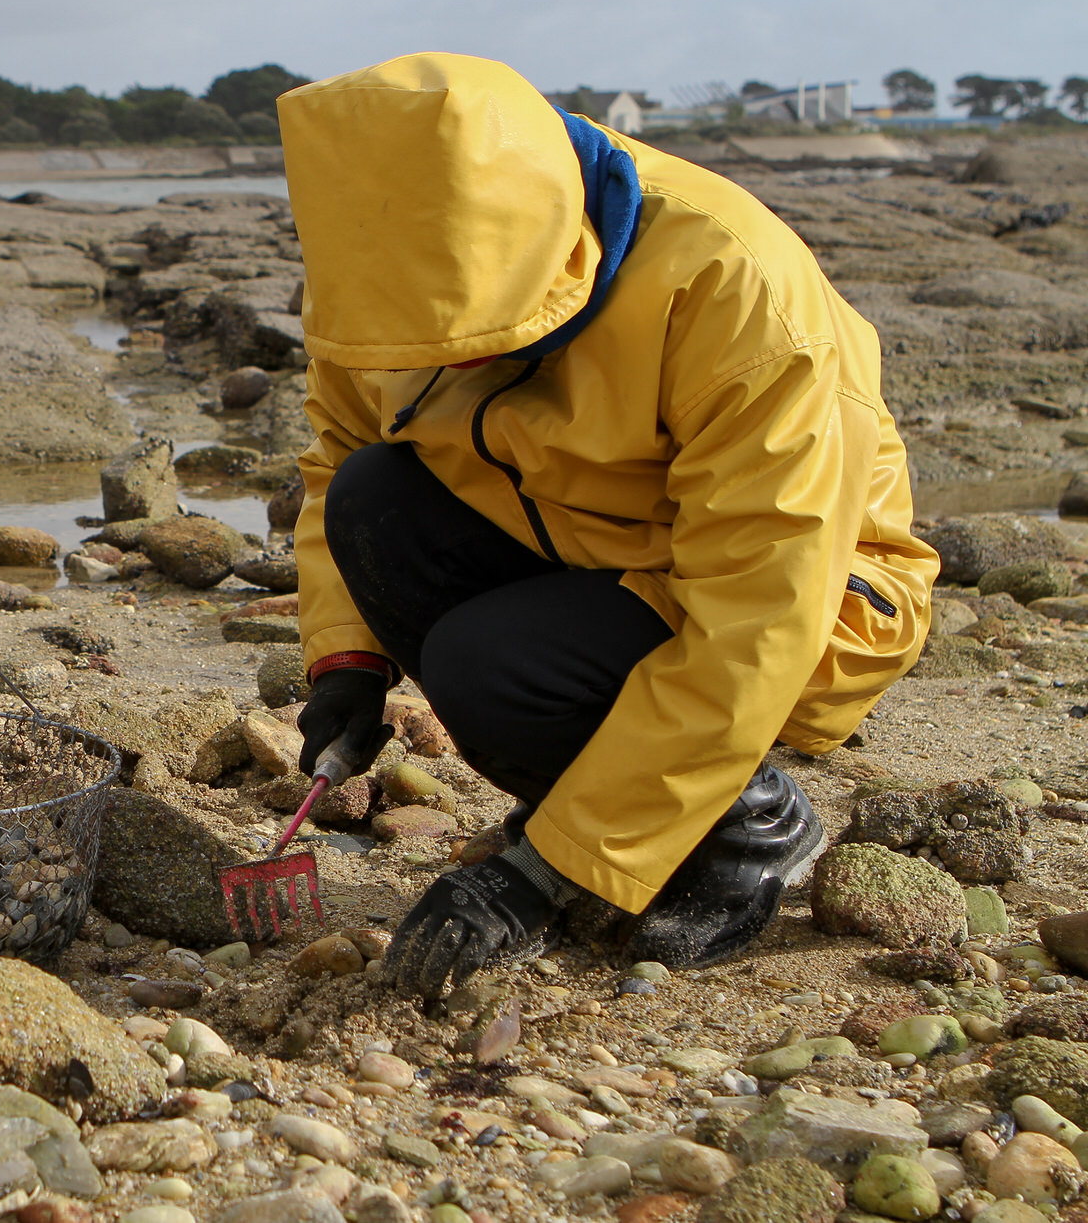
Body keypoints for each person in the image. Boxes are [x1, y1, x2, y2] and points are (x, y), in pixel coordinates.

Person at [281, 54, 938, 1009]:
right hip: (586, 535)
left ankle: (746, 822)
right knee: (371, 499)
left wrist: (544, 875)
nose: (451, 361)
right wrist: (347, 659)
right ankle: (601, 790)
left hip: (815, 598)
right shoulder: (380, 265)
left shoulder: (733, 289)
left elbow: (761, 613)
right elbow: (341, 448)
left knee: (487, 667)